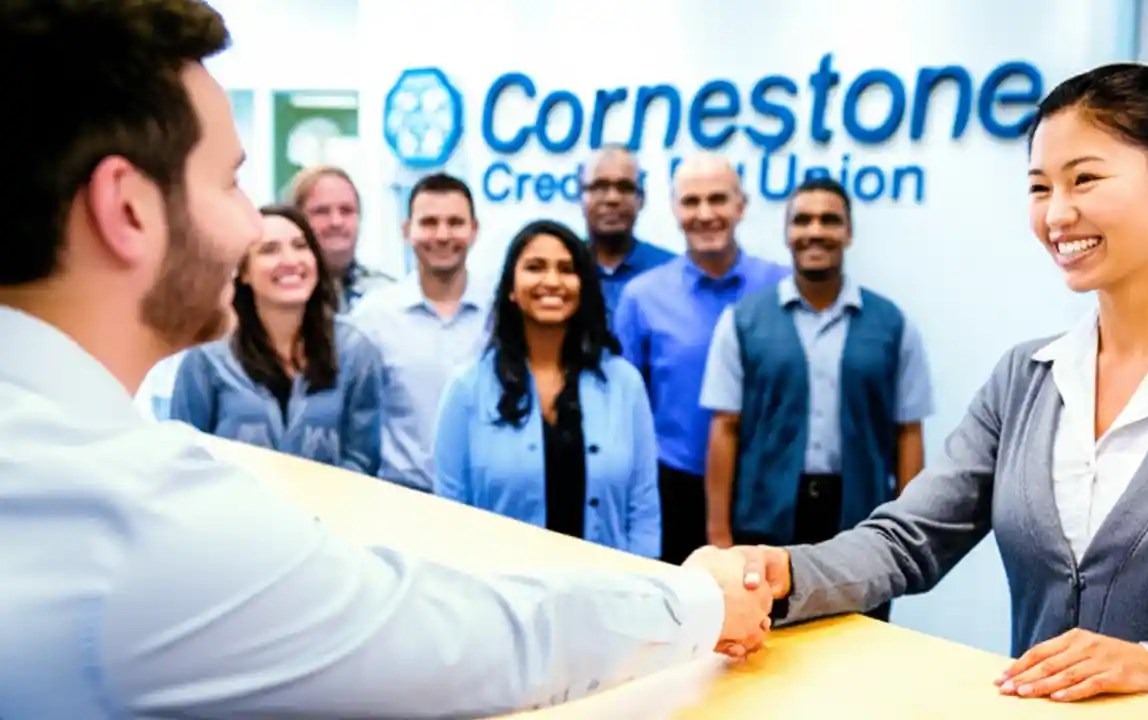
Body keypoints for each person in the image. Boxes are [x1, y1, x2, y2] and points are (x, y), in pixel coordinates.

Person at [0, 3, 772, 717]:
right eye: (231, 181)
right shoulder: (143, 520)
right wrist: (699, 601)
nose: (252, 226)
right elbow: (483, 641)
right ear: (126, 209)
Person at [727, 63, 1148, 719]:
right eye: (1039, 187)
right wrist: (777, 571)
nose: (1056, 214)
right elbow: (908, 539)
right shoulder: (1026, 377)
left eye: (1085, 179)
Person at [699, 178, 935, 621]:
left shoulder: (892, 324)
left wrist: (909, 530)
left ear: (848, 233)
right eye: (803, 220)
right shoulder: (743, 321)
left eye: (830, 220)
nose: (815, 230)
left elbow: (908, 433)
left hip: (862, 528)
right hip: (765, 520)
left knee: (858, 649)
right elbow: (724, 428)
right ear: (787, 232)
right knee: (762, 648)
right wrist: (718, 533)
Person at [435, 220, 660, 557]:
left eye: (567, 269)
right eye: (535, 267)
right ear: (511, 288)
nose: (552, 281)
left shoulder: (624, 384)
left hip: (607, 596)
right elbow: (449, 514)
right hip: (501, 597)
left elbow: (642, 511)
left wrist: (643, 592)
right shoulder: (466, 388)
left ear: (583, 285)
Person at [613, 153, 789, 565]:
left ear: (740, 206)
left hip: (766, 491)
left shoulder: (780, 288)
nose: (705, 213)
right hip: (673, 491)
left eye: (718, 199)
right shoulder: (642, 297)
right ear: (674, 209)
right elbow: (626, 407)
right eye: (691, 202)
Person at [170, 205, 384, 475]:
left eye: (300, 245)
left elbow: (364, 458)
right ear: (243, 272)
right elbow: (184, 455)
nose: (291, 260)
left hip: (327, 514)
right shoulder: (207, 356)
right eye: (269, 250)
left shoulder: (355, 350)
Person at [350, 172, 492, 492]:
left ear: (474, 230)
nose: (442, 235)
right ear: (406, 230)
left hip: (488, 506)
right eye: (429, 223)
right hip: (402, 502)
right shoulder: (372, 318)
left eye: (455, 222)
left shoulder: (502, 313)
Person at [579, 145, 676, 315]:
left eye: (625, 188)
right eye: (600, 187)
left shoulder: (671, 272)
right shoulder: (563, 268)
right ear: (581, 197)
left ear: (641, 199)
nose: (612, 198)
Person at [286, 164, 395, 312]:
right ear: (295, 220)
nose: (336, 222)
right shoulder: (280, 292)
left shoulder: (389, 297)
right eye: (321, 211)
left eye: (346, 211)